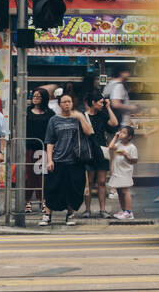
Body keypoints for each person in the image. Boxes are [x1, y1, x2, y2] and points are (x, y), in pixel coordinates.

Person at [41, 94, 94, 227]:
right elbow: (50, 141)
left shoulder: (78, 118)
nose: (67, 104)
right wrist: (49, 160)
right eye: (64, 102)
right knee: (52, 188)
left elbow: (89, 132)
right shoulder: (54, 120)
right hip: (58, 159)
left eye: (69, 101)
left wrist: (81, 117)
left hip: (75, 160)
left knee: (73, 189)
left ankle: (70, 214)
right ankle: (47, 215)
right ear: (59, 104)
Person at [82, 92, 118, 218]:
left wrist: (108, 107)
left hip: (102, 152)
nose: (102, 104)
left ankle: (102, 210)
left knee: (102, 182)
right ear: (93, 102)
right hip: (89, 152)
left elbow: (114, 124)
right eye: (101, 102)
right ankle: (87, 209)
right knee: (89, 183)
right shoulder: (83, 116)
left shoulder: (103, 115)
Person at [25, 88, 52, 214]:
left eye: (38, 96)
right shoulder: (26, 112)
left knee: (42, 176)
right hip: (29, 148)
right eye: (34, 95)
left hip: (43, 149)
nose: (35, 98)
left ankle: (44, 200)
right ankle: (27, 201)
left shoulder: (49, 113)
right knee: (29, 176)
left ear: (44, 98)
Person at [108, 127, 138, 220]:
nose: (121, 134)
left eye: (124, 133)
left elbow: (134, 161)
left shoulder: (132, 147)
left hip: (125, 172)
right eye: (121, 132)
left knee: (125, 191)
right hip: (118, 171)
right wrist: (115, 136)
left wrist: (126, 154)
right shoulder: (119, 144)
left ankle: (129, 212)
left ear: (129, 137)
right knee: (120, 191)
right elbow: (110, 147)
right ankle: (123, 210)